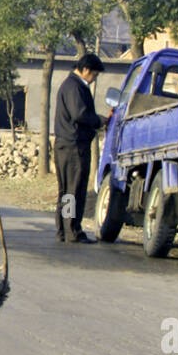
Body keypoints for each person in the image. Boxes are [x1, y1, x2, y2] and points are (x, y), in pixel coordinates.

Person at [53, 51, 109, 244]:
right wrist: (100, 120)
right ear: (85, 70)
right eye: (94, 75)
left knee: (67, 190)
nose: (94, 79)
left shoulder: (71, 85)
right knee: (73, 190)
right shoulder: (74, 87)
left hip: (65, 145)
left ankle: (63, 229)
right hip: (73, 145)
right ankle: (72, 230)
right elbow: (80, 114)